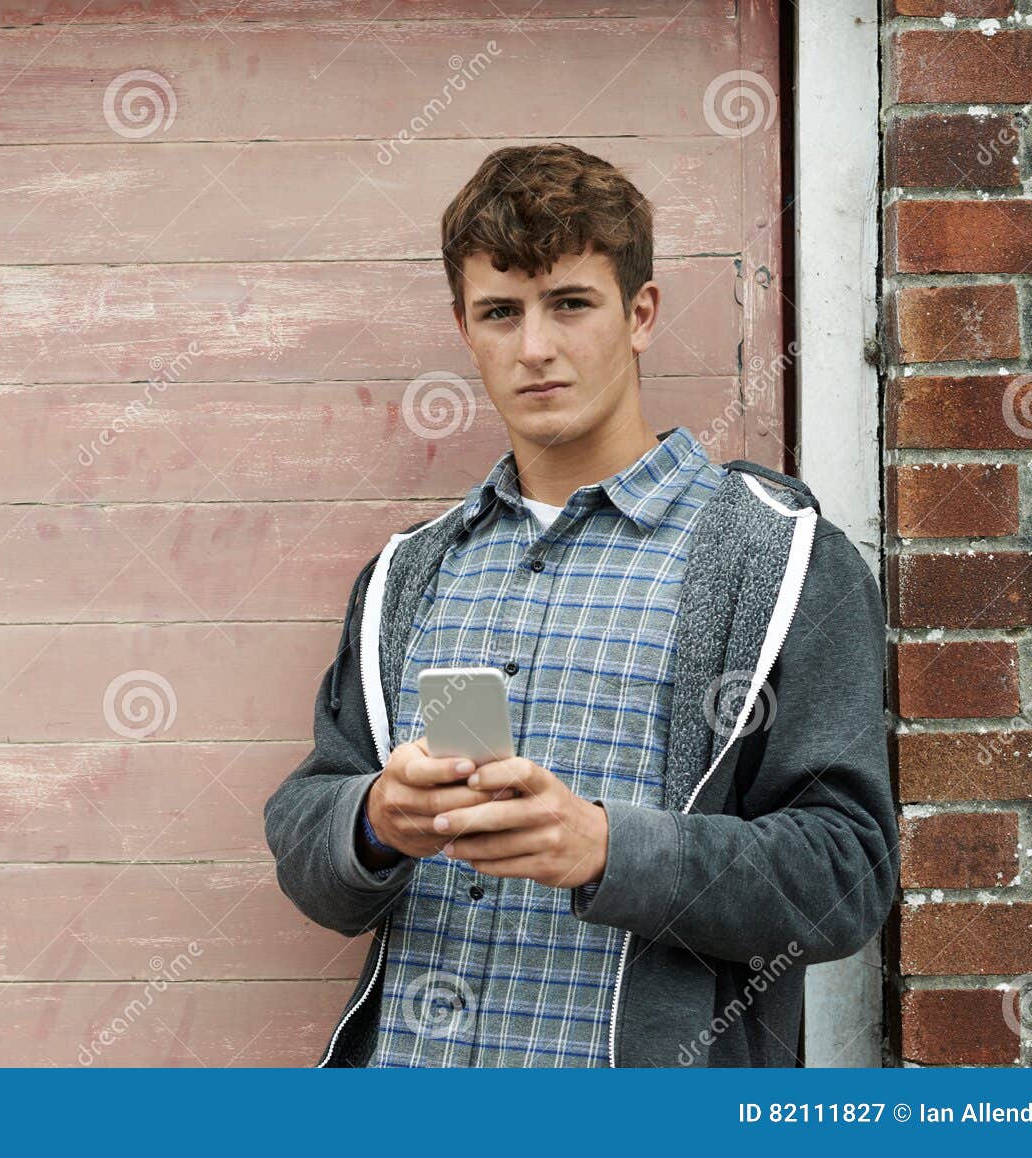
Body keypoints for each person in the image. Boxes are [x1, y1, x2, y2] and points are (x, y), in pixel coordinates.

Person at [262, 143, 897, 1067]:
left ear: (640, 314)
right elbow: (308, 830)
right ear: (464, 329)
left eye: (569, 304)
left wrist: (607, 849)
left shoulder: (780, 560)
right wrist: (376, 822)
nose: (535, 348)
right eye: (500, 313)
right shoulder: (411, 571)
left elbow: (846, 877)